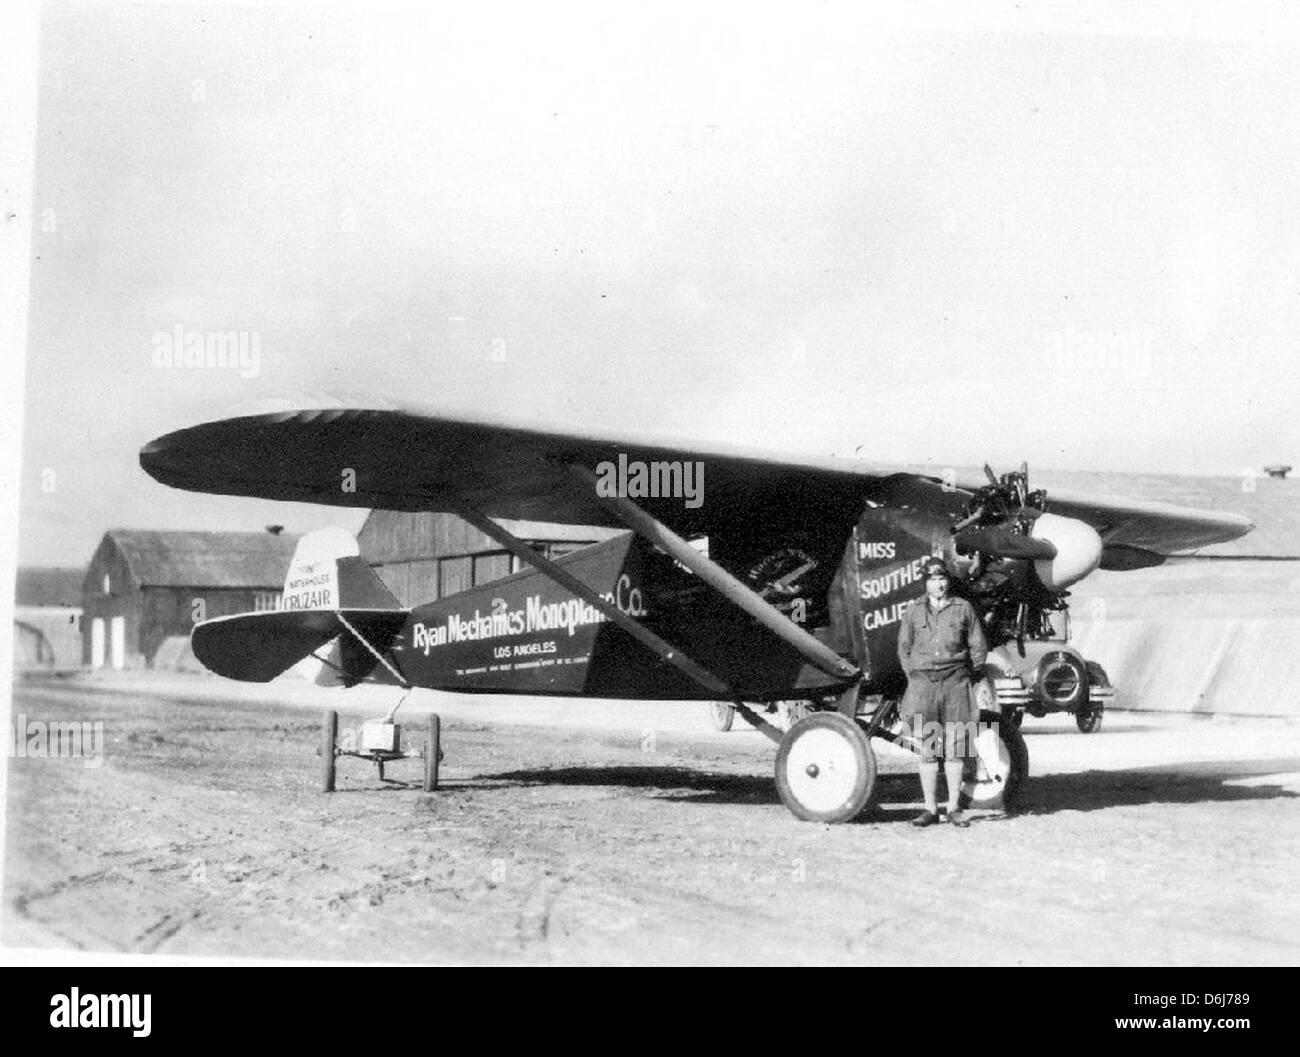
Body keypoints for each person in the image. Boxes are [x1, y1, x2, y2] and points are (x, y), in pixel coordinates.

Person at [896, 557, 988, 828]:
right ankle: (929, 808)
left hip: (955, 684)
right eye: (933, 579)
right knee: (928, 749)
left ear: (948, 581)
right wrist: (914, 675)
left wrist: (970, 675)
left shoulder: (963, 609)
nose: (939, 584)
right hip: (923, 686)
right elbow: (904, 648)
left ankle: (954, 808)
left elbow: (977, 646)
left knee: (955, 749)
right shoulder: (913, 611)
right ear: (925, 583)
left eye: (942, 579)